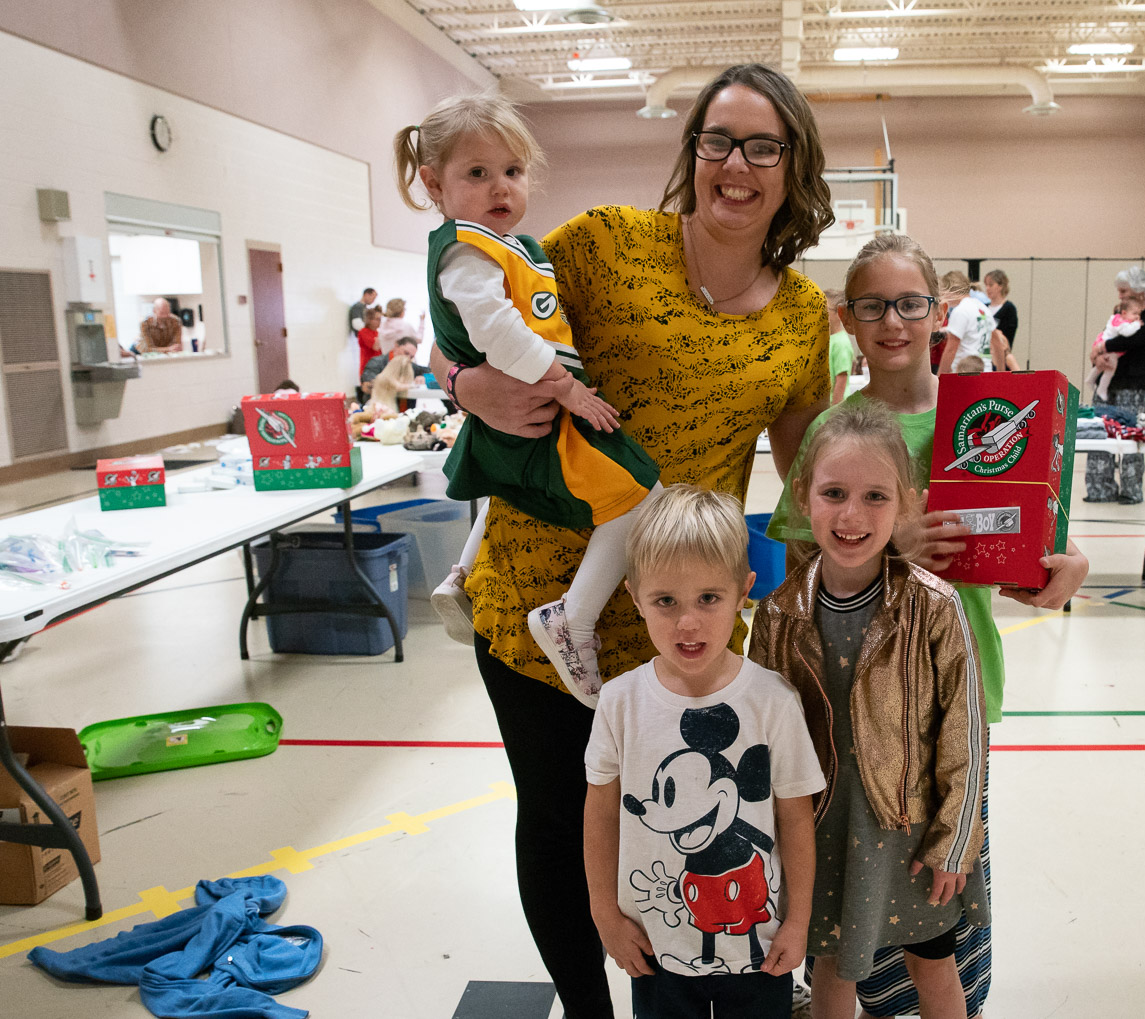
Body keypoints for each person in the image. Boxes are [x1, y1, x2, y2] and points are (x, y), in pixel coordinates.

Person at [427, 64, 835, 1019]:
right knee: (559, 819)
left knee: (680, 824)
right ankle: (588, 1010)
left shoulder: (802, 315)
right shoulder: (605, 243)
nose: (737, 165)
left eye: (764, 146)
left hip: (686, 621)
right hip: (541, 599)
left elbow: (808, 476)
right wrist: (462, 383)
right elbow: (467, 309)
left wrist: (916, 551)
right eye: (718, 140)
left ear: (794, 166)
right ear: (693, 151)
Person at [765, 233, 1089, 1019]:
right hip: (847, 698)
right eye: (873, 305)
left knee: (941, 894)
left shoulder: (988, 417)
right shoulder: (833, 430)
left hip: (952, 694)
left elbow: (1031, 535)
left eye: (910, 303)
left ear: (940, 311)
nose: (893, 322)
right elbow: (799, 558)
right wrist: (892, 544)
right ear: (848, 317)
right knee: (847, 901)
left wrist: (1065, 564)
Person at [394, 90, 665, 698]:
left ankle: (462, 572)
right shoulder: (468, 252)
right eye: (478, 173)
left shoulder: (506, 248)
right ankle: (573, 618)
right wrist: (565, 386)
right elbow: (496, 332)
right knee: (642, 496)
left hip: (523, 404)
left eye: (512, 172)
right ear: (434, 183)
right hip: (541, 400)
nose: (501, 188)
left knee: (508, 487)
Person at [751, 399, 988, 1019]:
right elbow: (761, 741)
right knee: (830, 967)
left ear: (907, 503)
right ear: (802, 496)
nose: (852, 516)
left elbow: (965, 735)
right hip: (817, 834)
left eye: (876, 497)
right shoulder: (778, 615)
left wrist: (954, 841)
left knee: (932, 967)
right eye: (833, 493)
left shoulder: (935, 607)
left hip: (911, 830)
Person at [584, 485, 822, 1018]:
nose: (687, 622)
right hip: (655, 945)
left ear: (744, 592)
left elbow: (795, 818)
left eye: (708, 598)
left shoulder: (773, 700)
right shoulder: (619, 702)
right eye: (665, 601)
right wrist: (604, 913)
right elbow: (600, 813)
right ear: (634, 597)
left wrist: (799, 921)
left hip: (760, 948)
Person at [1086, 266, 1145, 505]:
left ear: (1140, 291)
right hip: (1108, 380)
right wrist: (1096, 355)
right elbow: (1106, 336)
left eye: (1124, 291)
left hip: (1135, 383)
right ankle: (1099, 488)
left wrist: (1104, 348)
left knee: (1132, 435)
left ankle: (1131, 489)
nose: (1119, 296)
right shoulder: (1119, 314)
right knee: (1099, 431)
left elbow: (1135, 340)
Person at [1085, 297, 1141, 404]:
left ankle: (1092, 380)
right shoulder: (1122, 324)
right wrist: (1137, 324)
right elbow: (1125, 334)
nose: (1136, 317)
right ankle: (1100, 387)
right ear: (1123, 313)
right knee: (1109, 368)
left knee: (1103, 366)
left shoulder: (1115, 322)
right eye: (1134, 314)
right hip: (1109, 353)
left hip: (1106, 350)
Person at [936, 270, 993, 374]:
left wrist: (940, 376)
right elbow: (995, 340)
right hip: (985, 369)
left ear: (950, 290)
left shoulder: (961, 311)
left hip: (966, 371)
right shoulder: (983, 308)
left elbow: (951, 349)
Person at [983, 270, 1018, 372]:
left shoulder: (1009, 308)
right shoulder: (983, 307)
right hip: (984, 357)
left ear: (1000, 286)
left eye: (991, 285)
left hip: (999, 358)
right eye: (986, 285)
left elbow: (1007, 336)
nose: (987, 288)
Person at [825, 288, 855, 404]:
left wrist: (833, 409)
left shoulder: (841, 343)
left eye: (824, 309)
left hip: (835, 405)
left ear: (839, 313)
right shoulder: (829, 340)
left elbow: (841, 378)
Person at [356, 307, 383, 379]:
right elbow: (376, 347)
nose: (380, 322)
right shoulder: (363, 332)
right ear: (370, 320)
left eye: (380, 319)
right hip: (367, 370)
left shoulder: (377, 333)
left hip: (378, 368)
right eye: (377, 319)